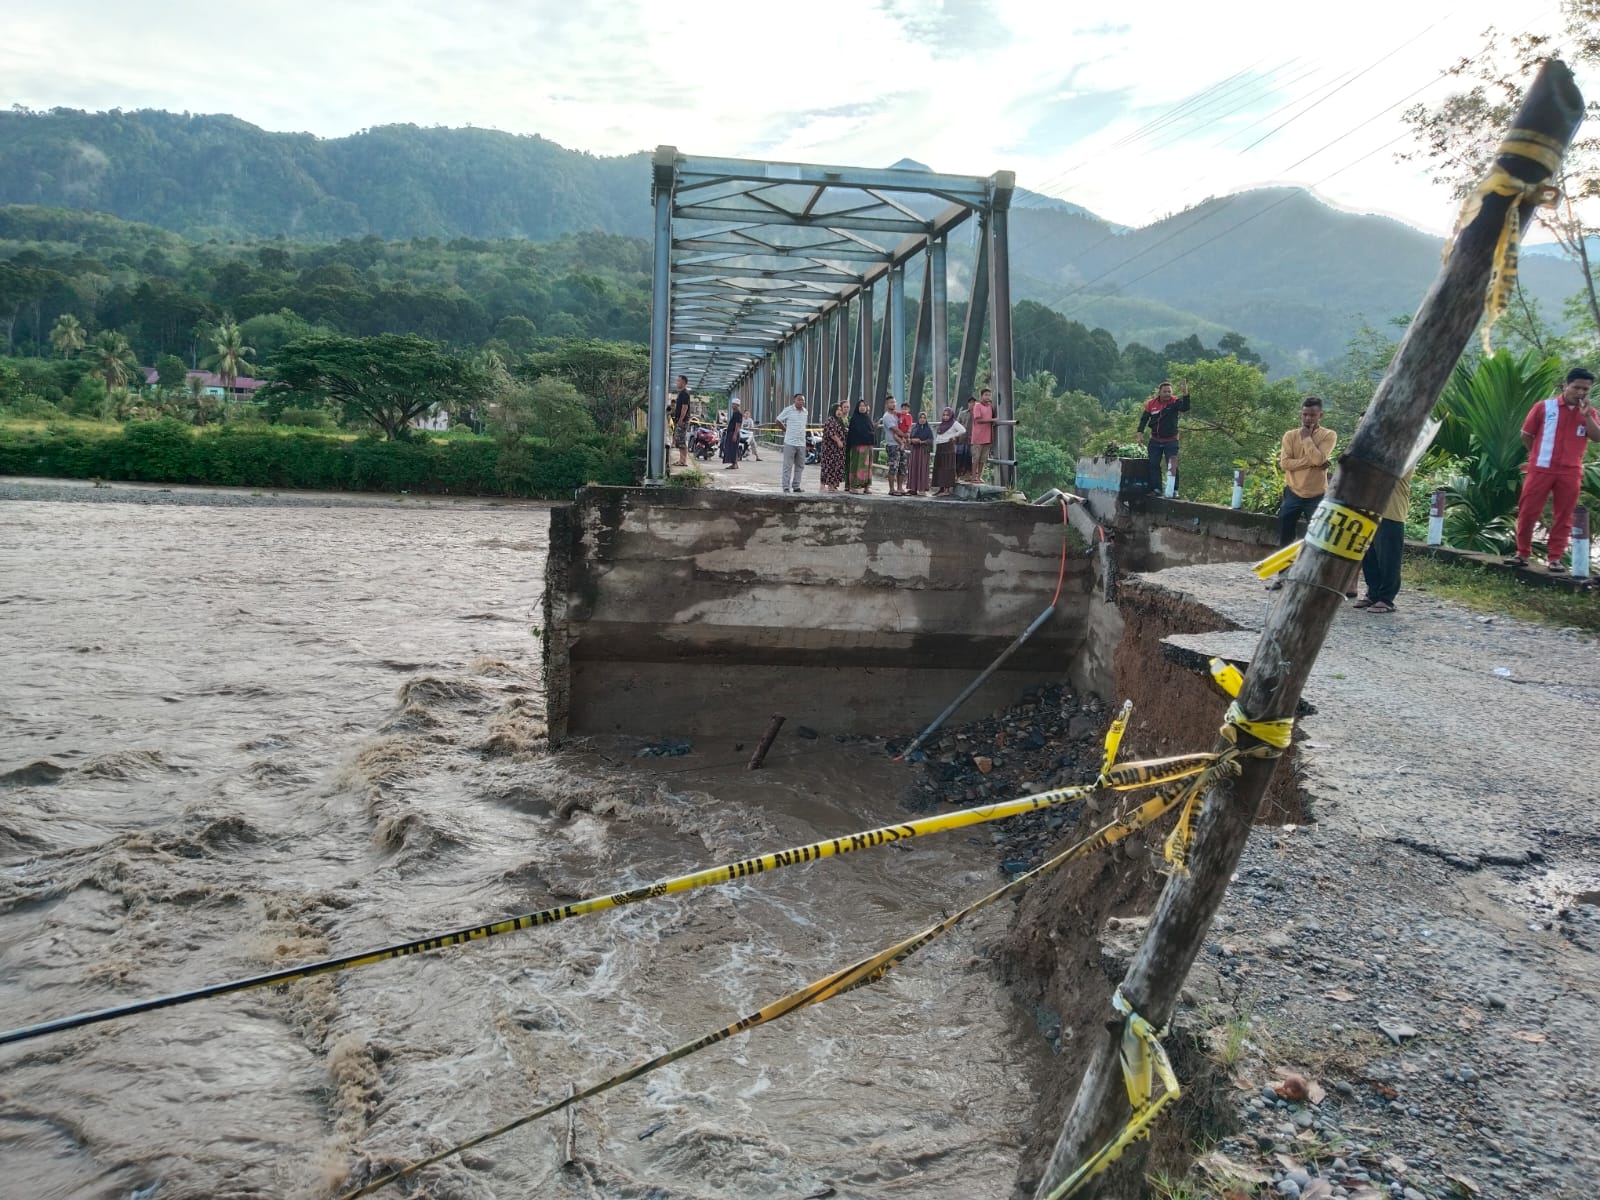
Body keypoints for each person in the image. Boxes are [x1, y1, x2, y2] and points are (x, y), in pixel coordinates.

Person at [1508, 366, 1600, 572]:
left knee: (1564, 515)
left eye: (1586, 389)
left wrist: (1587, 417)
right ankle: (1522, 553)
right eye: (1577, 387)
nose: (1581, 393)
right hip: (1540, 468)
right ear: (1566, 385)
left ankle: (1555, 558)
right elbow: (1526, 434)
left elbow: (1597, 437)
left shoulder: (1590, 413)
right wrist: (1537, 455)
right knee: (1528, 511)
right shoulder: (1544, 407)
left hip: (1570, 471)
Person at [1267, 396, 1337, 590]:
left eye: (1312, 415)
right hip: (1292, 492)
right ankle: (1282, 576)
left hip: (1316, 494)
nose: (1307, 419)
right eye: (1305, 414)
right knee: (1285, 536)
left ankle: (1312, 578)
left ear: (1320, 415)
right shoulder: (1290, 435)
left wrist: (1307, 439)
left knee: (1316, 538)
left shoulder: (1328, 435)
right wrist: (1314, 462)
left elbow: (1318, 458)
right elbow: (1285, 463)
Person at [1356, 471, 1412, 614]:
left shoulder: (1405, 453)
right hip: (1369, 509)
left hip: (1391, 512)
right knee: (1369, 556)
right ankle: (1373, 594)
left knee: (1388, 558)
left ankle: (1387, 598)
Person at [1136, 380, 1191, 493]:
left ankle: (1174, 490)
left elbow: (1185, 407)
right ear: (1159, 392)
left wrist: (1185, 394)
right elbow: (1144, 419)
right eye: (1165, 391)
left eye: (1169, 391)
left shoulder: (1174, 401)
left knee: (1172, 465)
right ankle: (1156, 488)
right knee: (1153, 464)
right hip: (1155, 440)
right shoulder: (1151, 404)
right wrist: (1140, 433)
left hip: (1171, 440)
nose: (1167, 394)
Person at [775, 392, 809, 493]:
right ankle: (786, 487)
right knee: (788, 465)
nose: (801, 401)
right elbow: (778, 420)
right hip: (790, 442)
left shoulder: (805, 412)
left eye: (803, 400)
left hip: (801, 443)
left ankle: (796, 486)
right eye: (799, 399)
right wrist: (785, 430)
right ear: (794, 400)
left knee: (800, 465)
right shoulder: (788, 410)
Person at [932, 407, 965, 495]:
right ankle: (941, 488)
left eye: (947, 415)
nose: (945, 417)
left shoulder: (954, 423)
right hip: (940, 447)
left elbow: (963, 430)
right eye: (944, 415)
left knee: (947, 467)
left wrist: (953, 436)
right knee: (939, 467)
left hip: (948, 447)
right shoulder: (943, 424)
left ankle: (947, 490)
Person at [845, 399, 877, 493]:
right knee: (857, 465)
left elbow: (871, 432)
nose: (862, 408)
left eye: (864, 406)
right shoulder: (855, 419)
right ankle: (854, 486)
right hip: (858, 447)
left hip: (868, 447)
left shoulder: (867, 418)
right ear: (857, 408)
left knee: (867, 467)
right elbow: (854, 433)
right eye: (860, 406)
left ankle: (866, 486)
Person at [881, 395, 909, 495]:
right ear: (886, 404)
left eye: (894, 402)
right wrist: (906, 435)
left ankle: (900, 488)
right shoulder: (887, 416)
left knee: (902, 466)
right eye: (891, 402)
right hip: (892, 445)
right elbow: (895, 429)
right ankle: (892, 489)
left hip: (900, 444)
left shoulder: (897, 415)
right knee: (893, 467)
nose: (893, 404)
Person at [820, 401, 848, 492]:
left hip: (837, 450)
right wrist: (838, 441)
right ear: (833, 411)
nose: (839, 412)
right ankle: (822, 486)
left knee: (835, 467)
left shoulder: (838, 421)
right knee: (828, 467)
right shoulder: (830, 420)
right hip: (830, 449)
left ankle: (832, 486)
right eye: (837, 410)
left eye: (840, 410)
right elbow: (831, 433)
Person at [970, 388, 995, 482]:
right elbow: (978, 420)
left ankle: (979, 476)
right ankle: (973, 477)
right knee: (976, 458)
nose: (988, 397)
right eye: (986, 395)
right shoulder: (977, 406)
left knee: (983, 459)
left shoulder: (990, 406)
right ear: (981, 396)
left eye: (989, 395)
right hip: (978, 437)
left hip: (988, 437)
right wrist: (992, 420)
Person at [906, 410, 933, 496]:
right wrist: (913, 440)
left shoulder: (928, 429)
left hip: (923, 452)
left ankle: (922, 489)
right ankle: (913, 488)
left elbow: (931, 440)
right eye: (921, 418)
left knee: (923, 469)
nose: (922, 419)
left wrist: (923, 442)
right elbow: (909, 439)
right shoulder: (914, 428)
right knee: (914, 468)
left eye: (924, 418)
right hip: (915, 451)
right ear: (918, 419)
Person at [672, 375, 693, 467]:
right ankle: (681, 460)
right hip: (680, 420)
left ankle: (683, 461)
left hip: (683, 420)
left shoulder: (684, 393)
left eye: (678, 381)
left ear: (683, 382)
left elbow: (685, 407)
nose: (677, 382)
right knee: (679, 440)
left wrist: (681, 419)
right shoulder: (681, 393)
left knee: (681, 440)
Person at [720, 398, 744, 470]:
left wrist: (735, 434)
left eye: (734, 404)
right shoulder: (735, 413)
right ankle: (733, 463)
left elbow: (738, 424)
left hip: (733, 433)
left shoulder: (738, 414)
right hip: (731, 432)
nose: (732, 406)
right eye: (732, 404)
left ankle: (735, 464)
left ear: (737, 405)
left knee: (733, 449)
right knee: (730, 448)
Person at [955, 396, 974, 480]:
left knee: (970, 458)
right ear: (968, 404)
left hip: (972, 439)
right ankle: (957, 475)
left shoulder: (977, 414)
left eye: (973, 403)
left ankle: (968, 475)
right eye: (970, 403)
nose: (972, 404)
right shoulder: (962, 413)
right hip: (962, 438)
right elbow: (957, 425)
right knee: (959, 457)